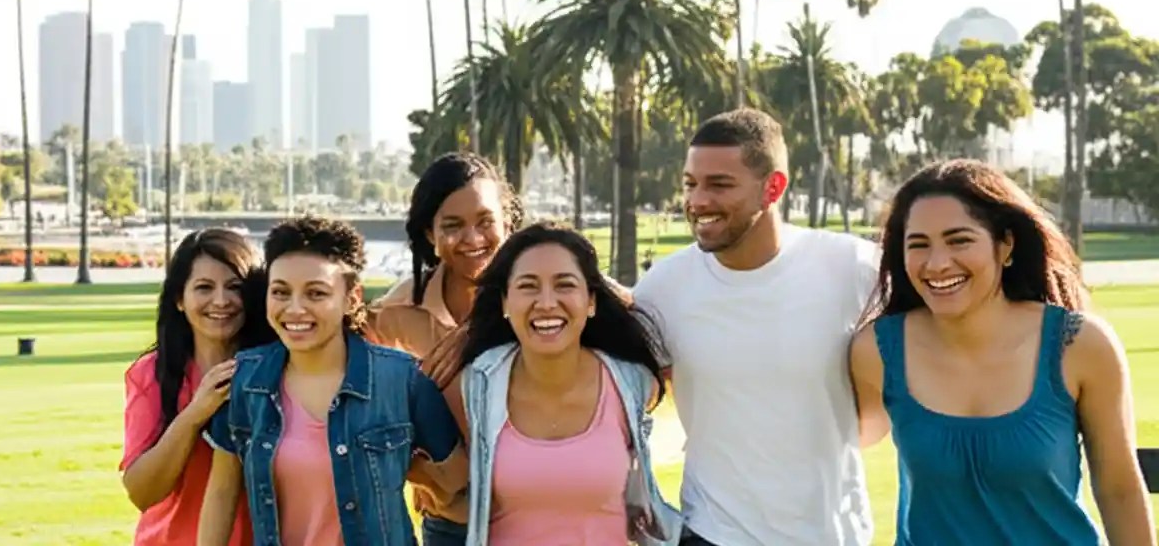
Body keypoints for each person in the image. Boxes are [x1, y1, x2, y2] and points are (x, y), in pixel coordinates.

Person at [849, 159, 1155, 544]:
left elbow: (1120, 491)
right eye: (919, 244)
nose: (938, 263)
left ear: (1005, 244)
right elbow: (834, 447)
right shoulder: (876, 351)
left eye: (959, 240)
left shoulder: (1080, 346)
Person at [631, 108, 879, 545]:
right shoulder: (662, 289)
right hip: (712, 533)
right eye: (690, 184)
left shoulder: (854, 268)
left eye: (719, 184)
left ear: (773, 187)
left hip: (832, 537)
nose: (698, 200)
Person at [197, 216, 467, 546]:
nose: (295, 309)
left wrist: (402, 468)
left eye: (316, 293)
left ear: (352, 299)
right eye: (281, 292)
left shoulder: (403, 381)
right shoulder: (246, 381)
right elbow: (222, 491)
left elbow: (456, 482)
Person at [442, 222, 680, 546]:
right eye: (528, 286)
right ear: (504, 304)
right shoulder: (476, 384)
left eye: (564, 285)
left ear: (592, 301)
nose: (547, 303)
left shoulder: (631, 382)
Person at [363, 151, 524, 545]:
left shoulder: (545, 295)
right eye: (452, 226)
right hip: (450, 528)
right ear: (430, 236)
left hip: (543, 521)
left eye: (486, 222)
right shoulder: (393, 316)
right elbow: (364, 420)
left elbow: (622, 307)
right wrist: (434, 477)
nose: (473, 239)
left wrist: (478, 331)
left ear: (509, 223)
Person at [119, 228, 271, 545]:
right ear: (179, 298)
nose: (221, 301)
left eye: (235, 287)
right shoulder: (151, 375)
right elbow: (142, 493)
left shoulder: (278, 369)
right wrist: (195, 414)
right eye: (204, 287)